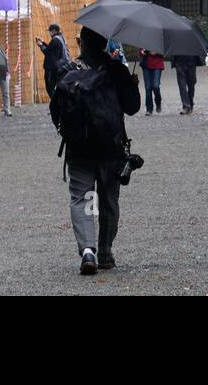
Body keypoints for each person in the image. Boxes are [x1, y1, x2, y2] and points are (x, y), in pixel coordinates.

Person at [53, 26, 141, 275]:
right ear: (105, 44)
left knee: (82, 198)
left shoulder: (69, 70)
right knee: (108, 201)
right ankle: (105, 252)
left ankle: (87, 249)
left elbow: (56, 110)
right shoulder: (116, 70)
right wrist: (132, 85)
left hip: (79, 147)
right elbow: (132, 107)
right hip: (111, 147)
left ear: (82, 43)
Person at [171, 49, 202, 115]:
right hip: (179, 62)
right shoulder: (176, 39)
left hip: (191, 62)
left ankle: (190, 103)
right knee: (182, 85)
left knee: (192, 85)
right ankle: (186, 105)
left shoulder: (194, 39)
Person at [138, 48, 165, 115]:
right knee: (148, 88)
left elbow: (164, 52)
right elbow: (141, 51)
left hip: (157, 65)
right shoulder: (144, 39)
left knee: (156, 85)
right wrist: (145, 52)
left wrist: (156, 52)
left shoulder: (160, 40)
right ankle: (149, 109)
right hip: (146, 65)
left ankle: (158, 102)